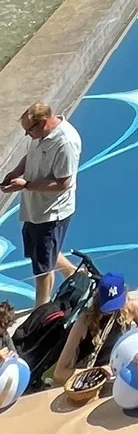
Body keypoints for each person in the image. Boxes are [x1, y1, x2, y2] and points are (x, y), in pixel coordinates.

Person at [3, 102, 82, 302]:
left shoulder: (66, 142)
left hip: (51, 211)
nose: (27, 135)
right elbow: (30, 155)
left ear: (44, 123)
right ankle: (72, 272)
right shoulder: (38, 135)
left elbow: (63, 183)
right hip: (35, 207)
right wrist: (15, 172)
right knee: (41, 252)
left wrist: (26, 185)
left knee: (42, 269)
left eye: (29, 130)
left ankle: (41, 309)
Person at [51, 269, 138, 386]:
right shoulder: (84, 321)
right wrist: (97, 372)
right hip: (97, 382)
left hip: (123, 375)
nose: (112, 310)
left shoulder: (132, 308)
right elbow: (59, 373)